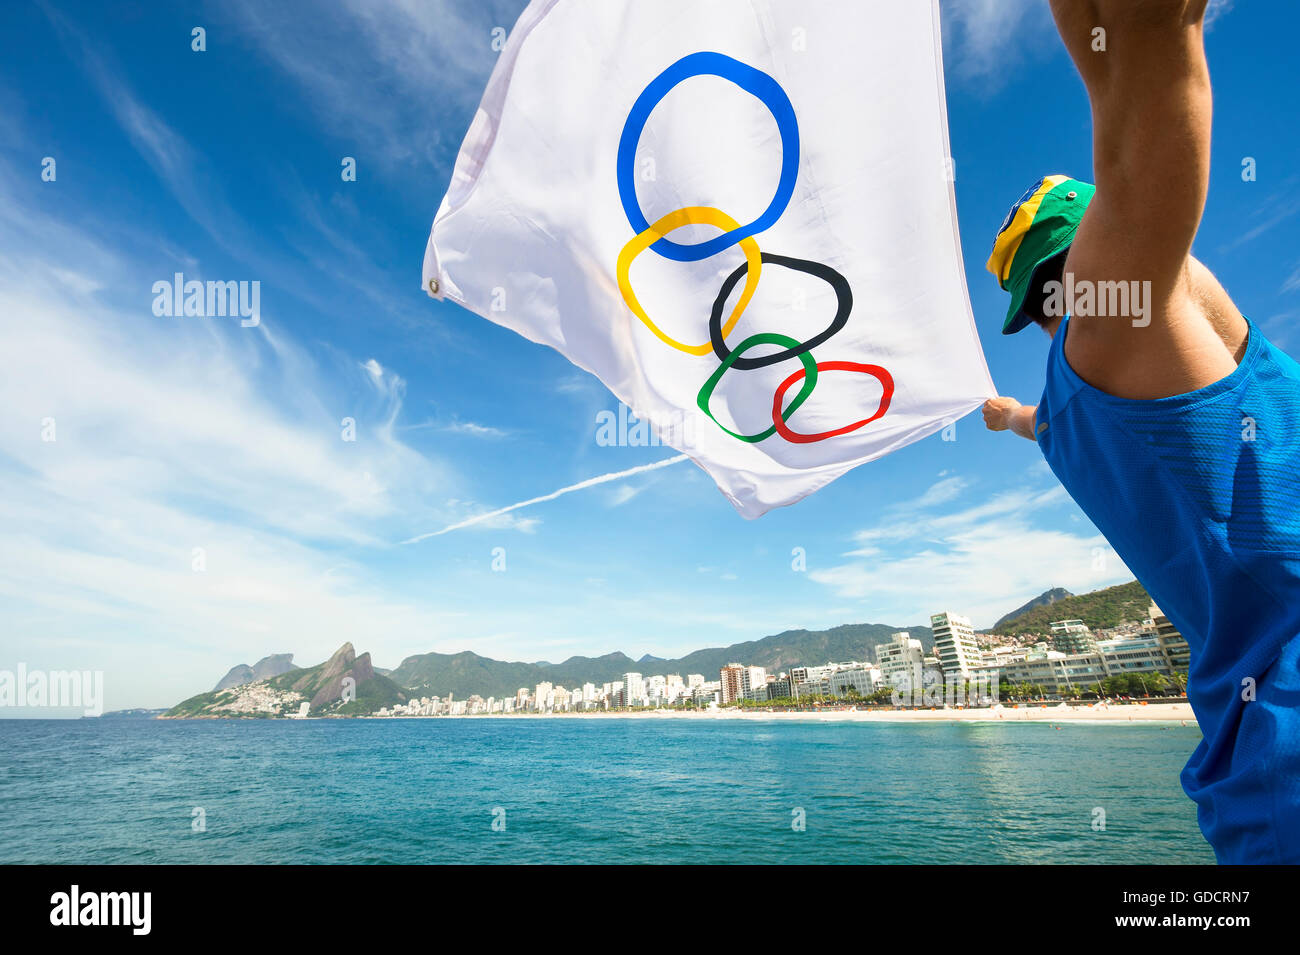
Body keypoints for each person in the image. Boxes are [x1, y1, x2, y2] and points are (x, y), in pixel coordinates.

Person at [980, 0, 1300, 863]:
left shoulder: (1074, 419)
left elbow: (1036, 420)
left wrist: (1005, 415)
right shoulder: (1108, 322)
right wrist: (1151, 37)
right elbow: (1140, 164)